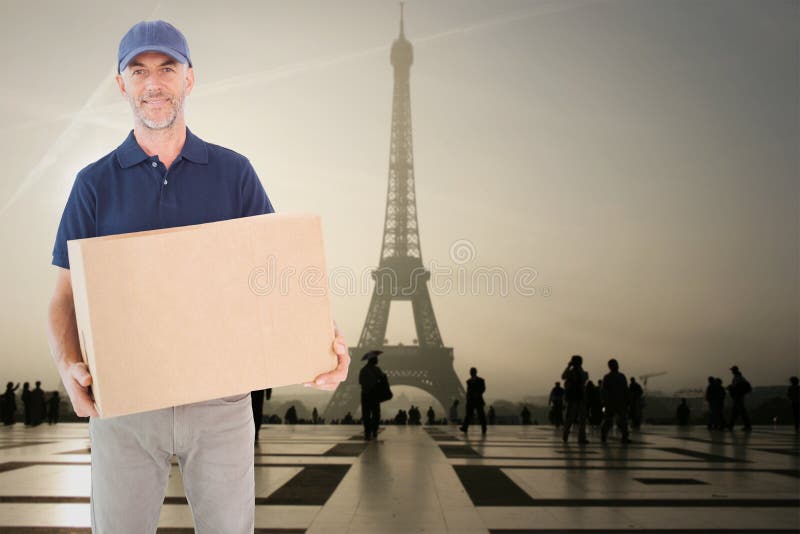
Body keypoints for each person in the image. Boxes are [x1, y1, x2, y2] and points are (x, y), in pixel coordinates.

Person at [44, 20, 351, 534]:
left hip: (222, 404)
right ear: (121, 84)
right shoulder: (92, 183)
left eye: (168, 68)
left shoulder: (234, 173)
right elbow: (63, 296)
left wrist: (321, 343)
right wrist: (67, 365)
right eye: (138, 70)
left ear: (190, 79)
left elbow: (279, 276)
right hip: (126, 407)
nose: (153, 82)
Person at [601, 358, 631, 444]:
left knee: (622, 421)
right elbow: (604, 391)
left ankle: (624, 437)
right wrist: (605, 401)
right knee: (609, 421)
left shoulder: (620, 376)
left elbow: (625, 389)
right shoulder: (609, 377)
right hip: (612, 402)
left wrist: (627, 400)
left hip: (620, 402)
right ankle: (604, 436)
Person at [561, 355, 588, 444]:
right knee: (571, 418)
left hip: (579, 398)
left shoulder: (579, 372)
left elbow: (584, 378)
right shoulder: (572, 372)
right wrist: (569, 367)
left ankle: (581, 437)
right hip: (573, 399)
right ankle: (566, 434)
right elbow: (563, 376)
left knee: (582, 419)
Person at [359, 350, 385, 440]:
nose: (377, 360)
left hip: (365, 394)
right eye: (376, 358)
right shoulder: (377, 370)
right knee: (376, 413)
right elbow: (382, 379)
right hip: (374, 394)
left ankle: (367, 431)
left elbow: (360, 381)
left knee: (366, 414)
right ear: (373, 360)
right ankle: (374, 430)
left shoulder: (363, 370)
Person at [460, 367, 487, 435]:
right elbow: (468, 391)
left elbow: (483, 389)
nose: (471, 373)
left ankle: (484, 428)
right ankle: (465, 427)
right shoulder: (469, 381)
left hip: (477, 400)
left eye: (471, 372)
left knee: (481, 415)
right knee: (468, 415)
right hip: (471, 401)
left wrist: (478, 394)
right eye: (471, 372)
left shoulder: (480, 380)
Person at [727, 366, 752, 432]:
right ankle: (746, 425)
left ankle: (732, 425)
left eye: (732, 370)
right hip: (739, 397)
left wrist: (730, 388)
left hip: (738, 397)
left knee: (738, 411)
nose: (732, 372)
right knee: (738, 411)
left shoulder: (737, 378)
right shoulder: (740, 378)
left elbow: (736, 387)